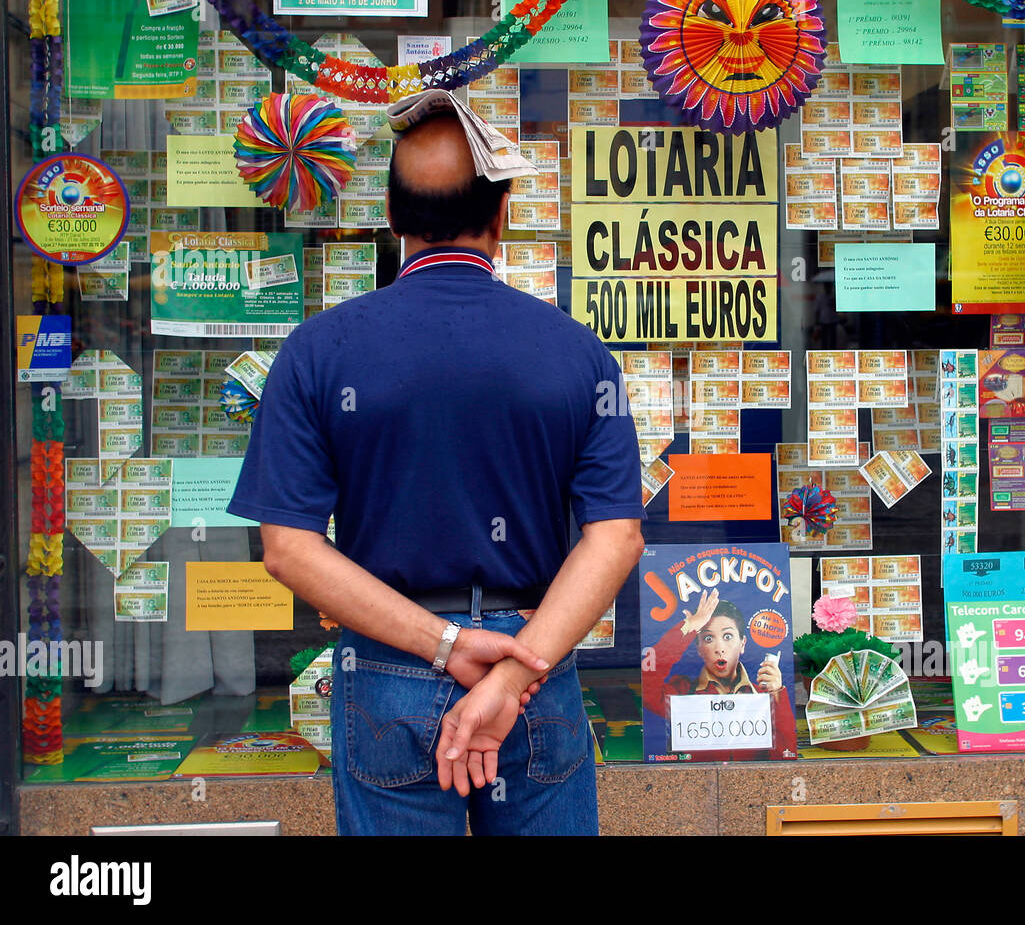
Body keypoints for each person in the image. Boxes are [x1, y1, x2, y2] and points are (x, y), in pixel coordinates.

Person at [227, 89, 645, 835]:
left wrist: (446, 645)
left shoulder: (319, 351)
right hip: (534, 666)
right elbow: (615, 538)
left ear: (392, 218)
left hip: (390, 667)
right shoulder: (579, 353)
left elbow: (289, 549)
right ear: (503, 215)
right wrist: (514, 675)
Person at [642, 589, 797, 761]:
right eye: (708, 638)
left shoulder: (762, 696)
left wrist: (777, 695)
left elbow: (785, 756)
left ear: (742, 644)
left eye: (728, 636)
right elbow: (648, 680)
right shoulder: (682, 692)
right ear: (698, 647)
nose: (719, 648)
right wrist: (688, 628)